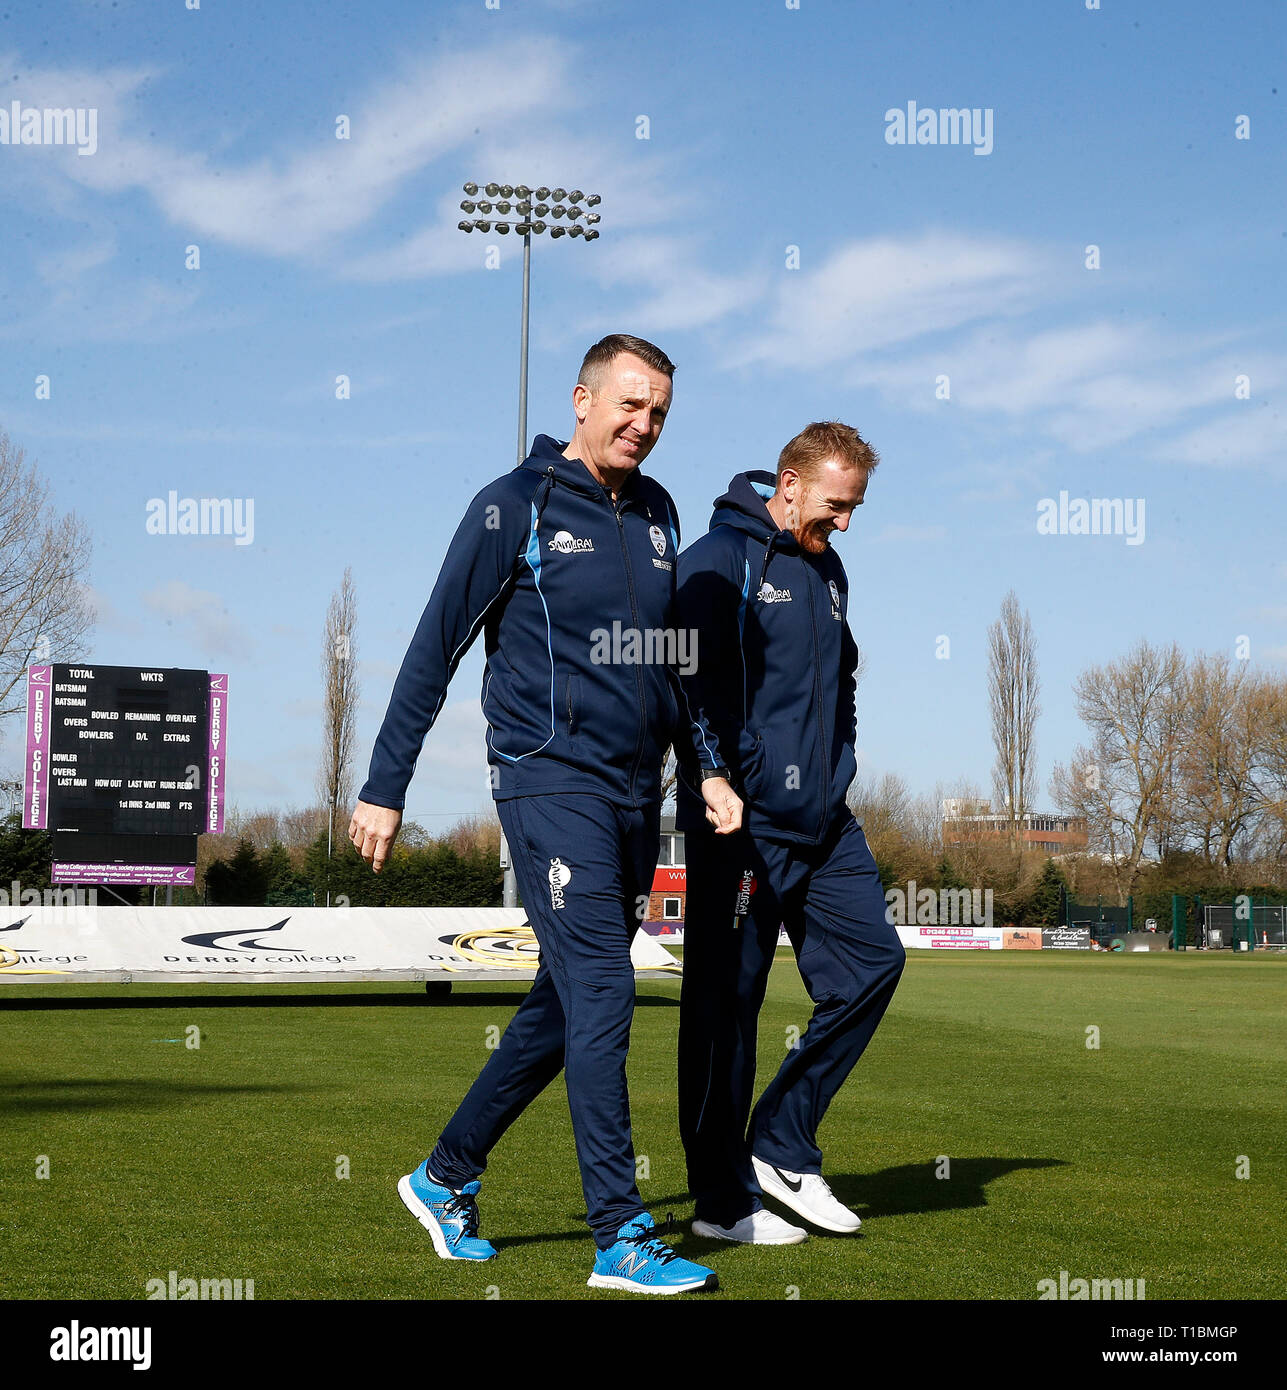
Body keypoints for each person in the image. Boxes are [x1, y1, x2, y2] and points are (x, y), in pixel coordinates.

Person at [348, 334, 742, 1295]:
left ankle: (443, 1177)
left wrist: (708, 769)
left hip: (631, 793)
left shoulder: (656, 513)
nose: (642, 426)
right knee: (606, 990)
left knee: (565, 1006)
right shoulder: (511, 504)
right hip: (545, 779)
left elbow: (671, 659)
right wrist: (385, 784)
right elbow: (433, 644)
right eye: (628, 405)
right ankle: (621, 1233)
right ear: (580, 400)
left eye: (658, 414)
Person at [673, 421, 905, 1244]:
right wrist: (716, 776)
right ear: (790, 482)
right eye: (835, 506)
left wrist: (837, 768)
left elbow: (842, 681)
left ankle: (779, 1144)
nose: (843, 523)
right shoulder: (719, 556)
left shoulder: (831, 571)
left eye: (854, 509)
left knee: (874, 964)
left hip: (823, 821)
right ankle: (719, 1201)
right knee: (727, 1007)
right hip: (741, 821)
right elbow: (686, 680)